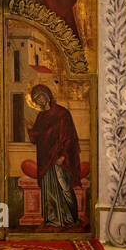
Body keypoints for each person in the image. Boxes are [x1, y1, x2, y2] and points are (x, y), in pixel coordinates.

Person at [27, 84, 82, 229]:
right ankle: (52, 219)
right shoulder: (41, 116)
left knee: (64, 186)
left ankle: (71, 218)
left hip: (58, 158)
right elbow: (36, 138)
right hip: (45, 159)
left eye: (41, 96)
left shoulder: (62, 113)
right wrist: (30, 130)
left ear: (48, 95)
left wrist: (63, 155)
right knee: (48, 189)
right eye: (36, 98)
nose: (40, 100)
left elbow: (69, 136)